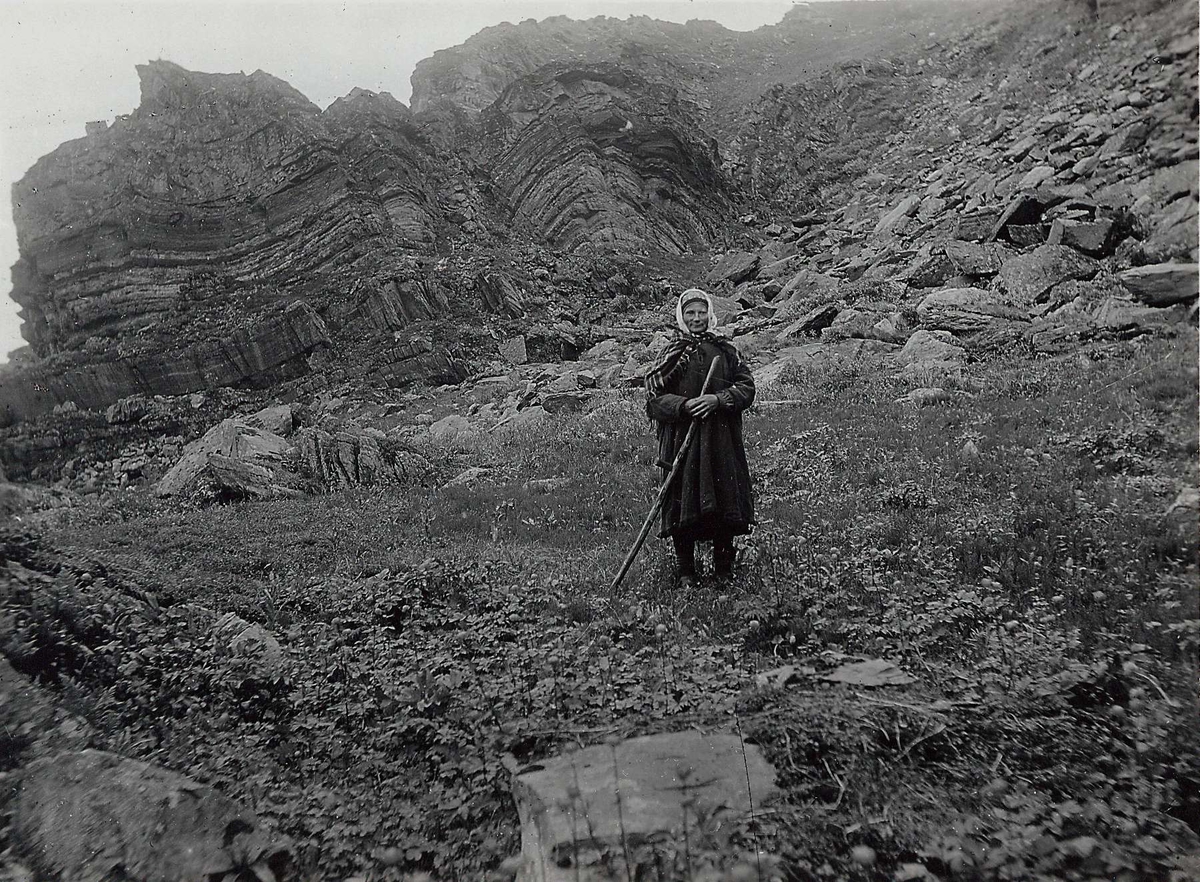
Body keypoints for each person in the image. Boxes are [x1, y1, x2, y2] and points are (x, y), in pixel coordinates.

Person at [645, 288, 755, 587]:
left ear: (710, 314)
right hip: (683, 439)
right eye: (690, 313)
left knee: (723, 496)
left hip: (720, 440)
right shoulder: (672, 352)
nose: (696, 318)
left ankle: (723, 567)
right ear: (681, 316)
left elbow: (747, 388)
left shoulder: (726, 351)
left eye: (701, 312)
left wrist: (718, 400)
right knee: (683, 497)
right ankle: (685, 571)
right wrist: (683, 405)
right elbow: (654, 399)